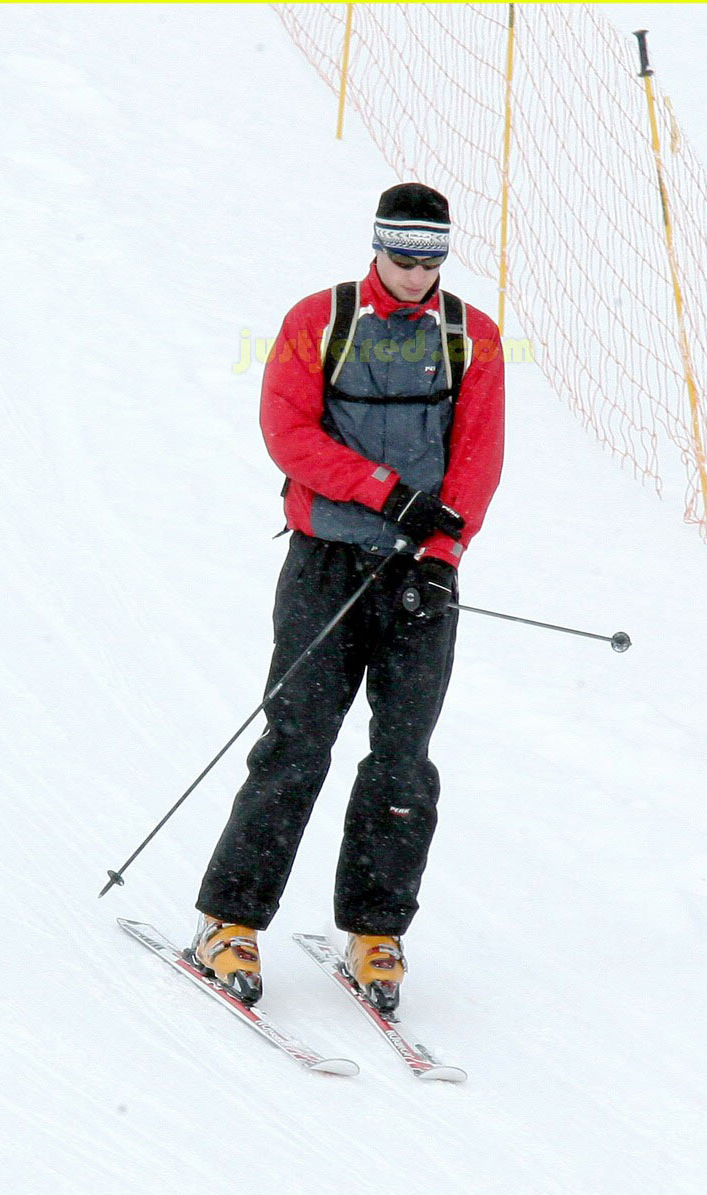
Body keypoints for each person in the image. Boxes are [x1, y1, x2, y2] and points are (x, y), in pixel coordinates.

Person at [192, 183, 504, 1012]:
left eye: (430, 256)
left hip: (419, 578)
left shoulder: (473, 336)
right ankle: (229, 918)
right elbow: (286, 432)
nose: (414, 271)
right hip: (326, 563)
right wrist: (381, 490)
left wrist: (444, 552)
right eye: (401, 255)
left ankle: (376, 933)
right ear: (377, 248)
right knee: (296, 744)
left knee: (404, 760)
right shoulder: (318, 320)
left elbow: (477, 456)